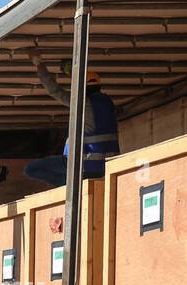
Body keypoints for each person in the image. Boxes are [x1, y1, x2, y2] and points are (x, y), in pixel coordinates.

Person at [24, 51, 119, 188]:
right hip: (104, 167)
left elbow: (55, 91)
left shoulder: (82, 102)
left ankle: (65, 188)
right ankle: (68, 186)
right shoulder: (108, 103)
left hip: (81, 163)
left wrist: (39, 64)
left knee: (30, 169)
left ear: (82, 89)